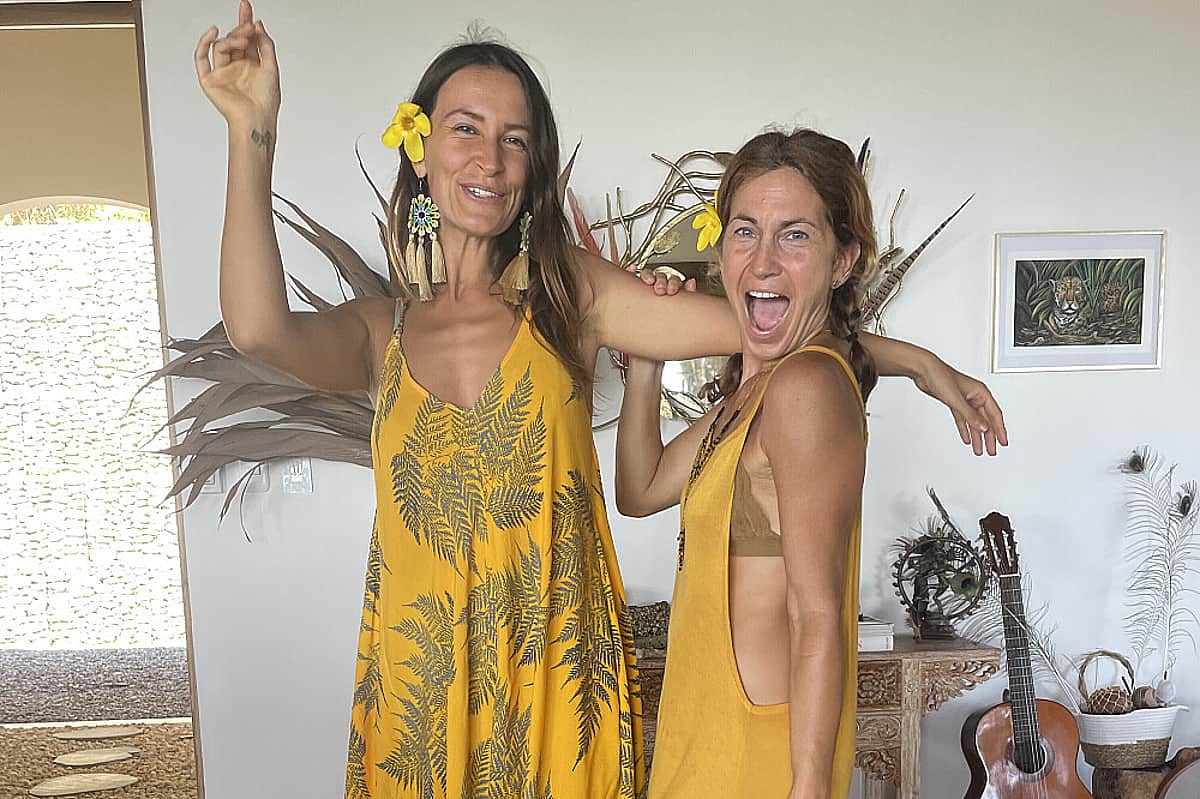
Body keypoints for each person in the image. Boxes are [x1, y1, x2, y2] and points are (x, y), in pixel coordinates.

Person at [194, 4, 1007, 797]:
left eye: (515, 140)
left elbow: (771, 316)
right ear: (421, 150)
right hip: (423, 696)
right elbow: (260, 328)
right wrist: (249, 130)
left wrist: (920, 364)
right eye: (466, 129)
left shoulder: (571, 297)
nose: (491, 158)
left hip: (560, 688)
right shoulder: (382, 335)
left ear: (533, 169)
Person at [615, 129, 934, 798]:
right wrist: (644, 360)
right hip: (703, 740)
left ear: (843, 259)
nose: (761, 262)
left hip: (759, 759)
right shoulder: (752, 394)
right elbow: (640, 490)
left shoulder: (806, 388)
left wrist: (810, 785)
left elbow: (818, 613)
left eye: (794, 235)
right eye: (744, 231)